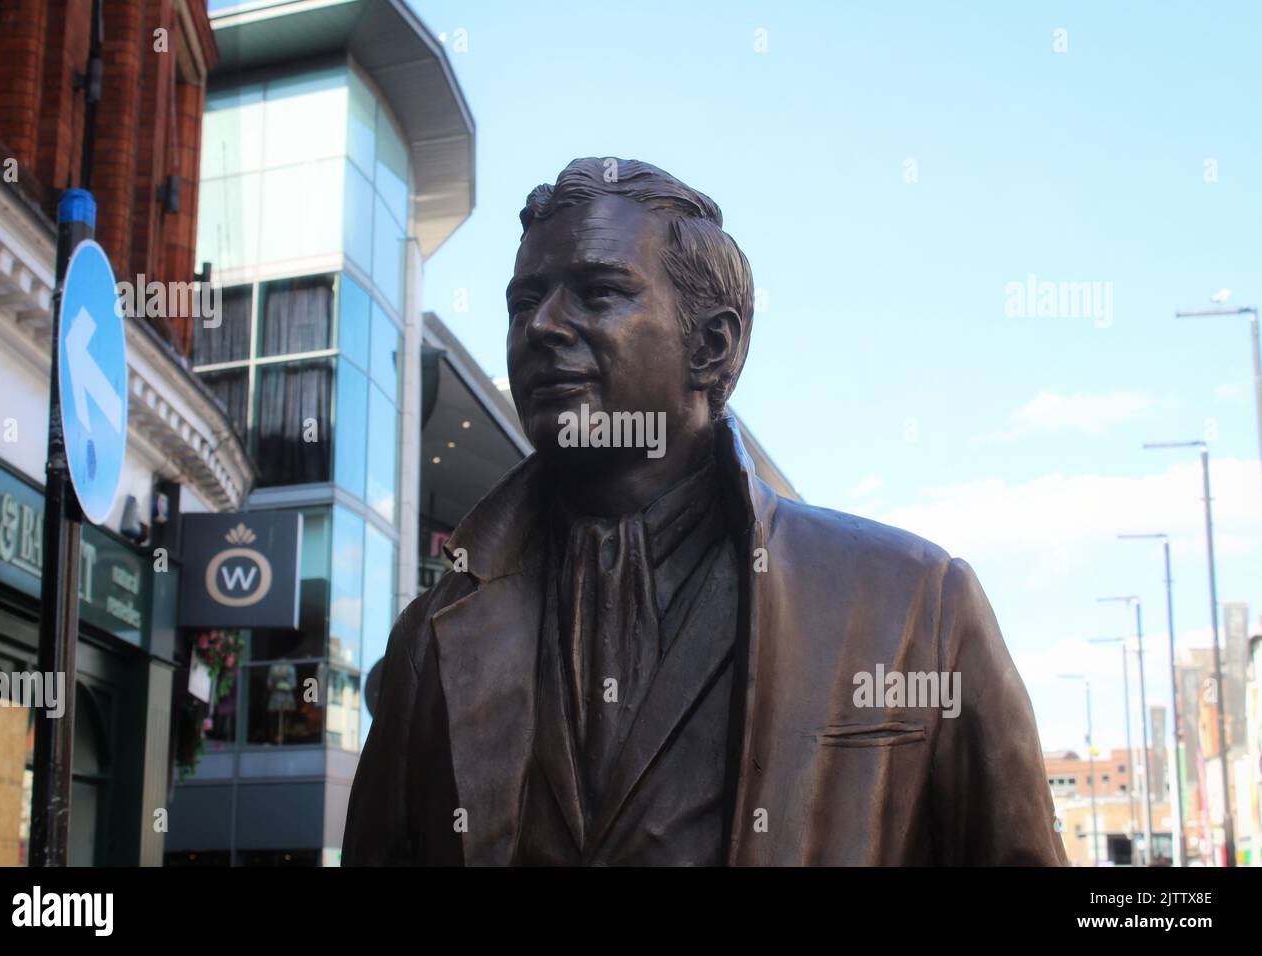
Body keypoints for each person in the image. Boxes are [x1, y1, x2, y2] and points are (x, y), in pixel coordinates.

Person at [343, 158, 1066, 866]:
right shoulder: (434, 638)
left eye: (597, 293)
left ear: (714, 346)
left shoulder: (911, 604)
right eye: (523, 302)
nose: (543, 327)